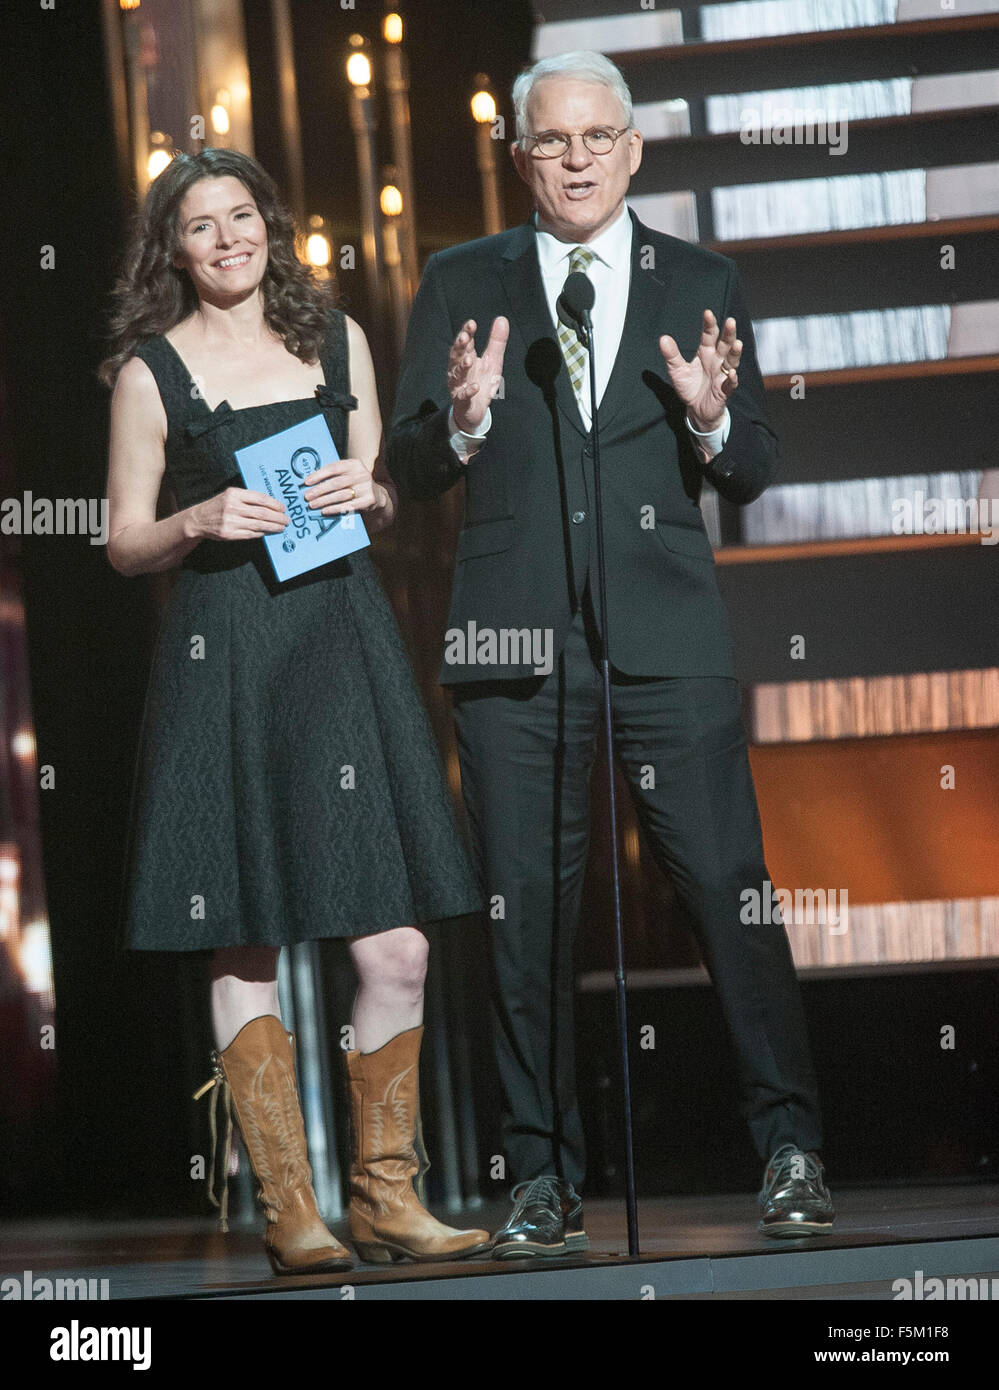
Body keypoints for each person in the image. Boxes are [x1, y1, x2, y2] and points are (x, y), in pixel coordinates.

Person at [387, 51, 834, 1256]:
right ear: (520, 156)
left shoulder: (699, 276)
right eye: (553, 141)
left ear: (634, 150)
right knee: (524, 913)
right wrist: (464, 423)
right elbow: (407, 463)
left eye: (599, 138)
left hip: (664, 638)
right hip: (511, 647)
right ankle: (539, 1173)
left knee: (729, 893)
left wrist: (712, 417)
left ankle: (790, 1147)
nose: (577, 159)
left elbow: (752, 467)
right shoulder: (460, 278)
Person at [102, 147, 490, 1273]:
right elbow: (124, 539)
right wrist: (197, 519)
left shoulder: (339, 342)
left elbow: (373, 496)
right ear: (171, 249)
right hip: (225, 654)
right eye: (200, 226)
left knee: (401, 943)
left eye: (242, 218)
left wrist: (368, 488)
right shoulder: (151, 373)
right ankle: (291, 1207)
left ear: (271, 225)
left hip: (340, 645)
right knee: (246, 931)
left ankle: (387, 1197)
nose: (227, 240)